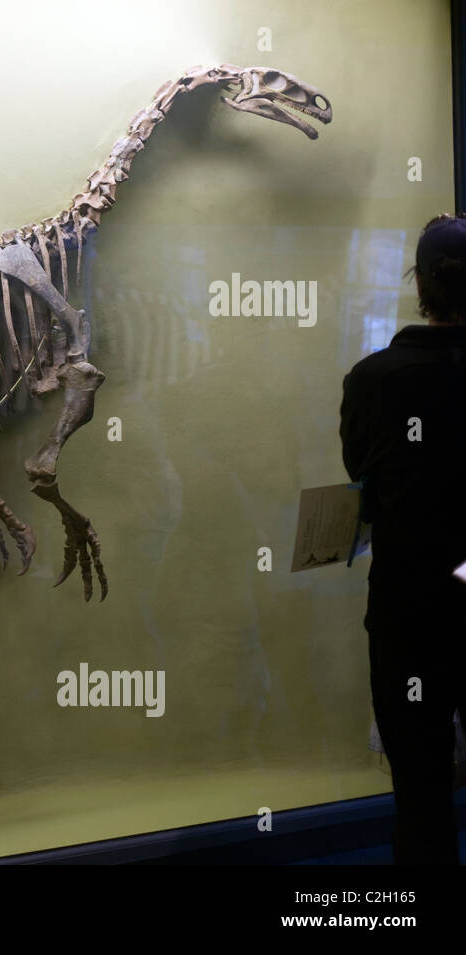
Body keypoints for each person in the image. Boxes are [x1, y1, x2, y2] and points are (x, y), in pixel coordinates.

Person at [340, 212, 466, 863]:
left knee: (419, 791)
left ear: (418, 282)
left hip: (407, 612)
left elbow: (358, 469)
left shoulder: (373, 379)